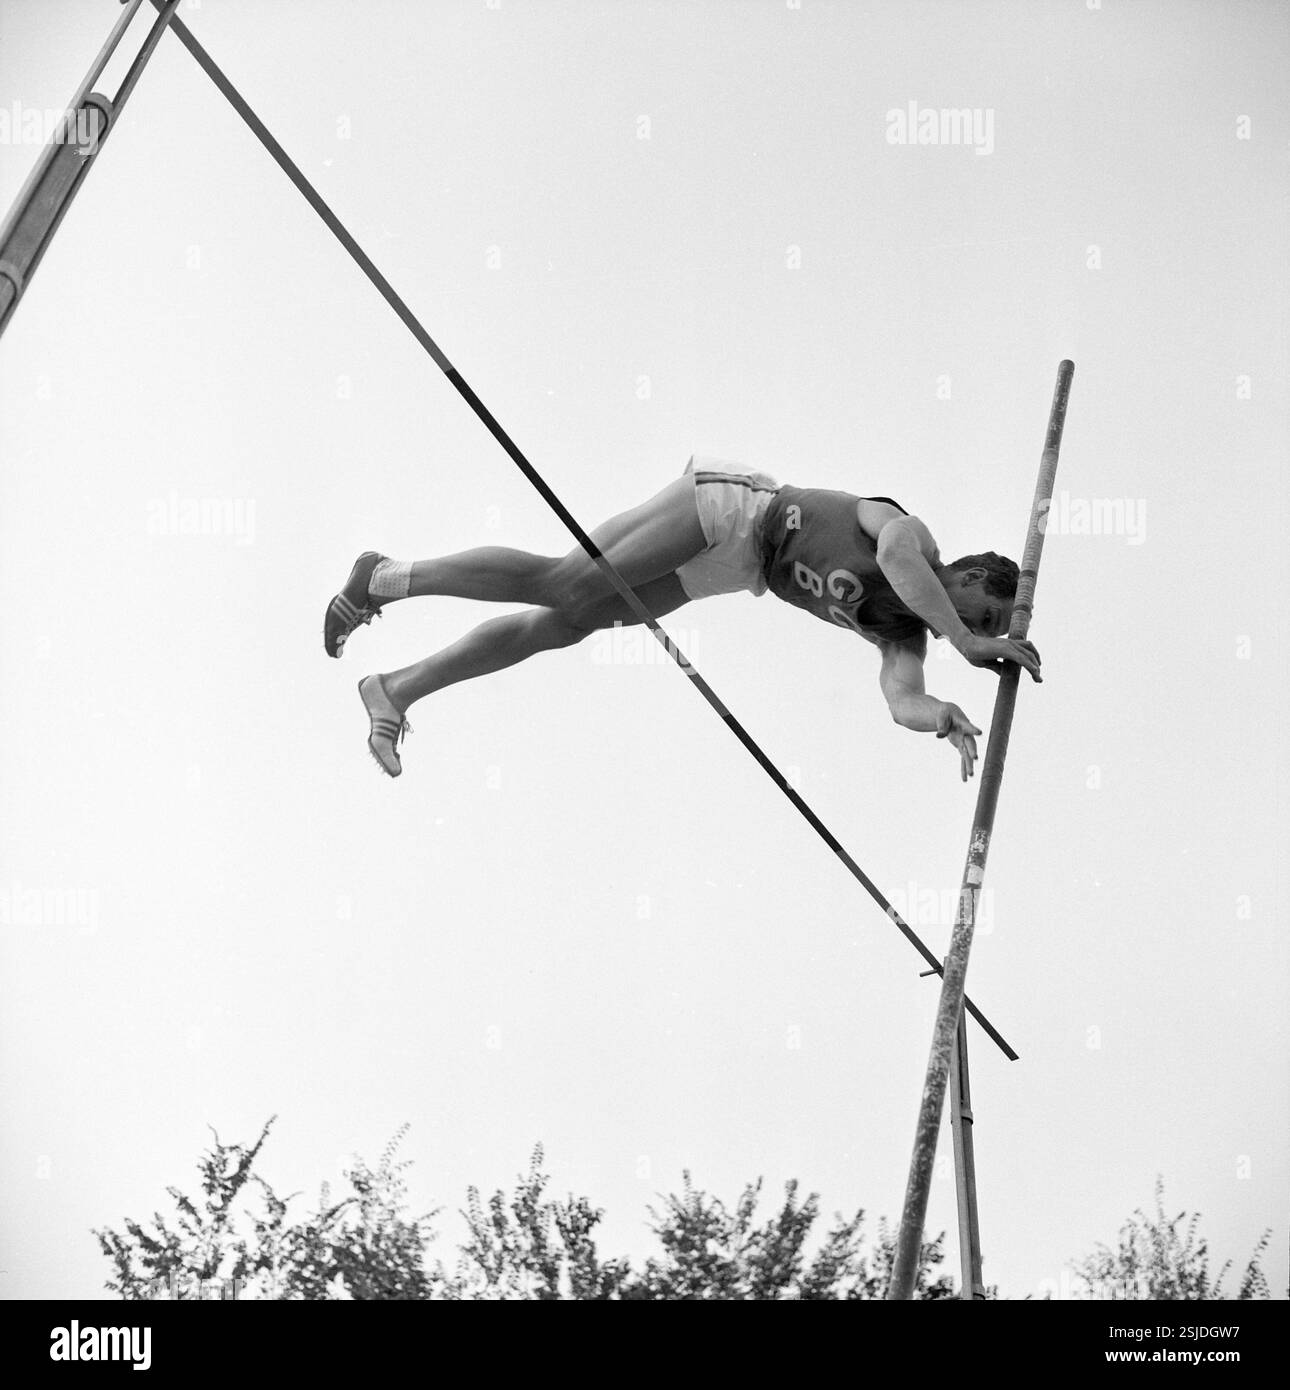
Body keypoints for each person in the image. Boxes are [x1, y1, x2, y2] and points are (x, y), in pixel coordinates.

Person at [323, 456, 1041, 779]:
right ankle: (383, 579)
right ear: (972, 574)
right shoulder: (914, 537)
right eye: (980, 608)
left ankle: (397, 689)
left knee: (564, 621)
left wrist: (939, 714)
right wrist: (973, 639)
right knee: (565, 581)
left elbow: (900, 697)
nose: (968, 624)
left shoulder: (906, 630)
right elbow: (907, 569)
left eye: (977, 622)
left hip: (736, 570)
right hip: (735, 509)